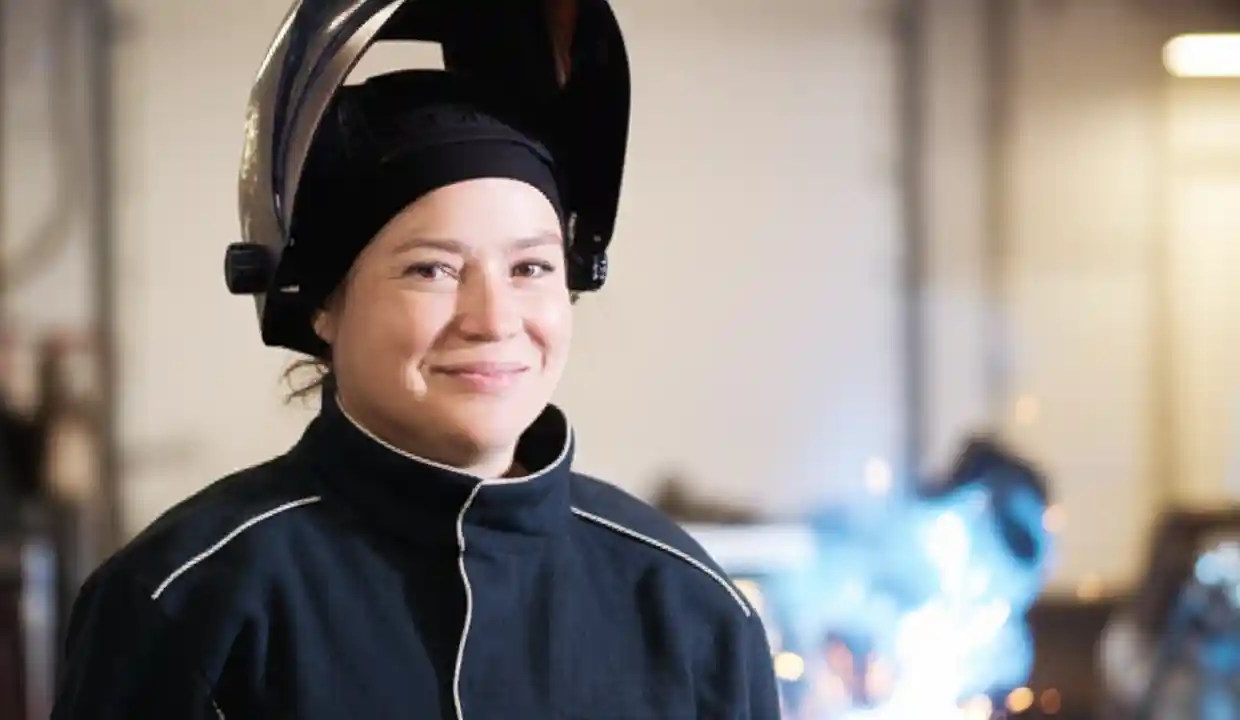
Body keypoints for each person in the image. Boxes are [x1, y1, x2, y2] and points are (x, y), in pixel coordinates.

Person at [50, 2, 780, 718]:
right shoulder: (189, 602)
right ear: (322, 302)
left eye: (530, 269)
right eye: (431, 269)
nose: (493, 320)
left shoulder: (689, 606)